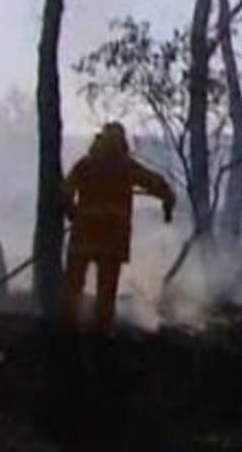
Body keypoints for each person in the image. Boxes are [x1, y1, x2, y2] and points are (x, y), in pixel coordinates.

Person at [62, 122, 175, 333]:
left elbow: (65, 193)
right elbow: (157, 184)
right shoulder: (126, 167)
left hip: (85, 236)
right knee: (105, 292)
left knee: (74, 287)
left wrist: (74, 215)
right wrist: (168, 204)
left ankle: (68, 331)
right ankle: (100, 336)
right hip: (111, 241)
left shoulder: (86, 165)